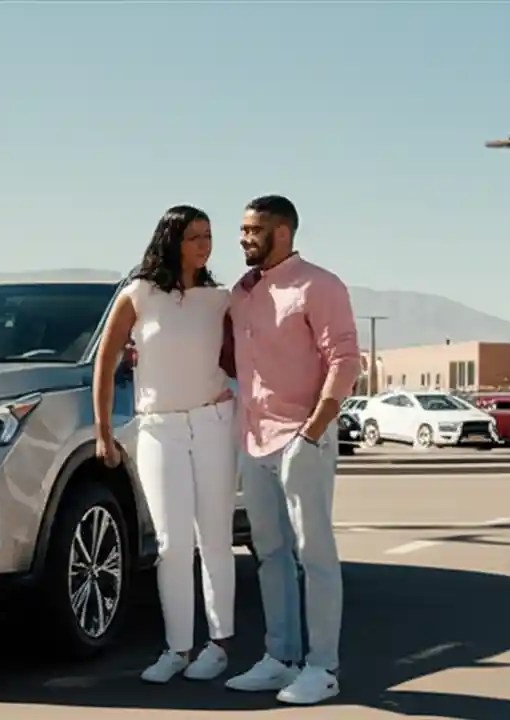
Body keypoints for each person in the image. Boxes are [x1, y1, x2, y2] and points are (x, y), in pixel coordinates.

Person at [221, 195, 361, 705]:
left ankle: (323, 667)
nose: (243, 238)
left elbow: (345, 361)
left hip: (304, 439)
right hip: (253, 441)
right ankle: (280, 658)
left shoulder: (318, 285)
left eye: (253, 230)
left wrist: (312, 432)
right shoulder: (242, 293)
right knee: (271, 554)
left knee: (315, 554)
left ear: (283, 232)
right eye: (241, 229)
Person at [92, 204, 239, 684]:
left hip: (213, 422)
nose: (205, 244)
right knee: (173, 544)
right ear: (172, 239)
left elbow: (249, 353)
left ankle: (218, 645)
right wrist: (103, 432)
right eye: (195, 236)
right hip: (158, 429)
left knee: (215, 537)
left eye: (209, 235)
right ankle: (177, 647)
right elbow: (106, 360)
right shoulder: (139, 295)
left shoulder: (221, 298)